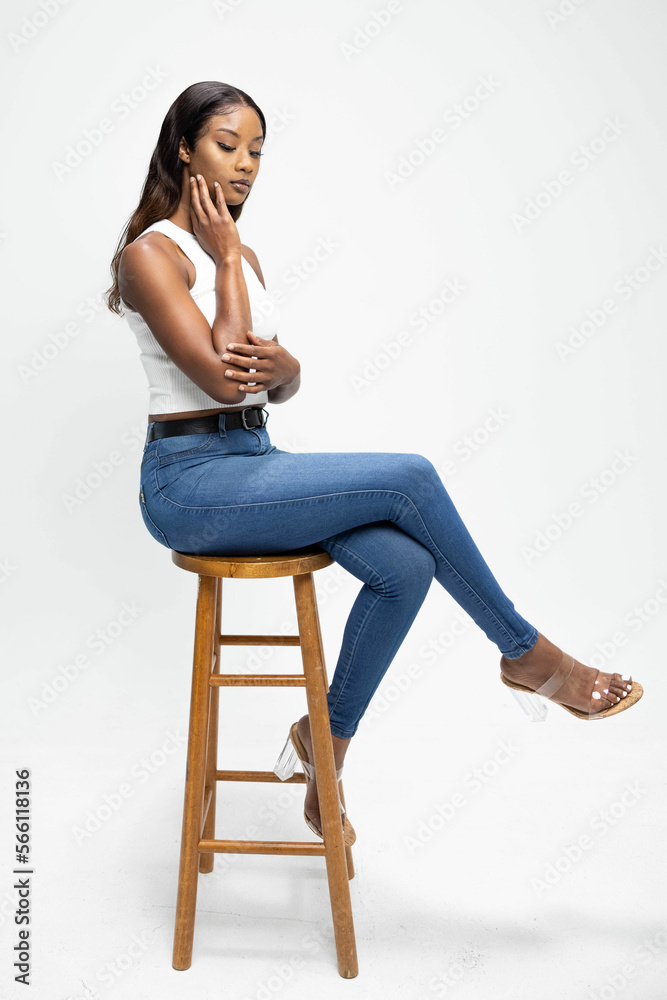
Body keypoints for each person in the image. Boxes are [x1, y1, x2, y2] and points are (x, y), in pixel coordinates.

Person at [105, 81, 643, 846]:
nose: (246, 164)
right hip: (189, 483)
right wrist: (224, 261)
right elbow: (223, 377)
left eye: (257, 150)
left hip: (252, 457)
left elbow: (273, 383)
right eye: (228, 145)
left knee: (403, 567)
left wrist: (286, 364)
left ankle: (323, 752)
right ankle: (532, 658)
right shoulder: (151, 256)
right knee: (409, 476)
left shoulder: (243, 257)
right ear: (184, 147)